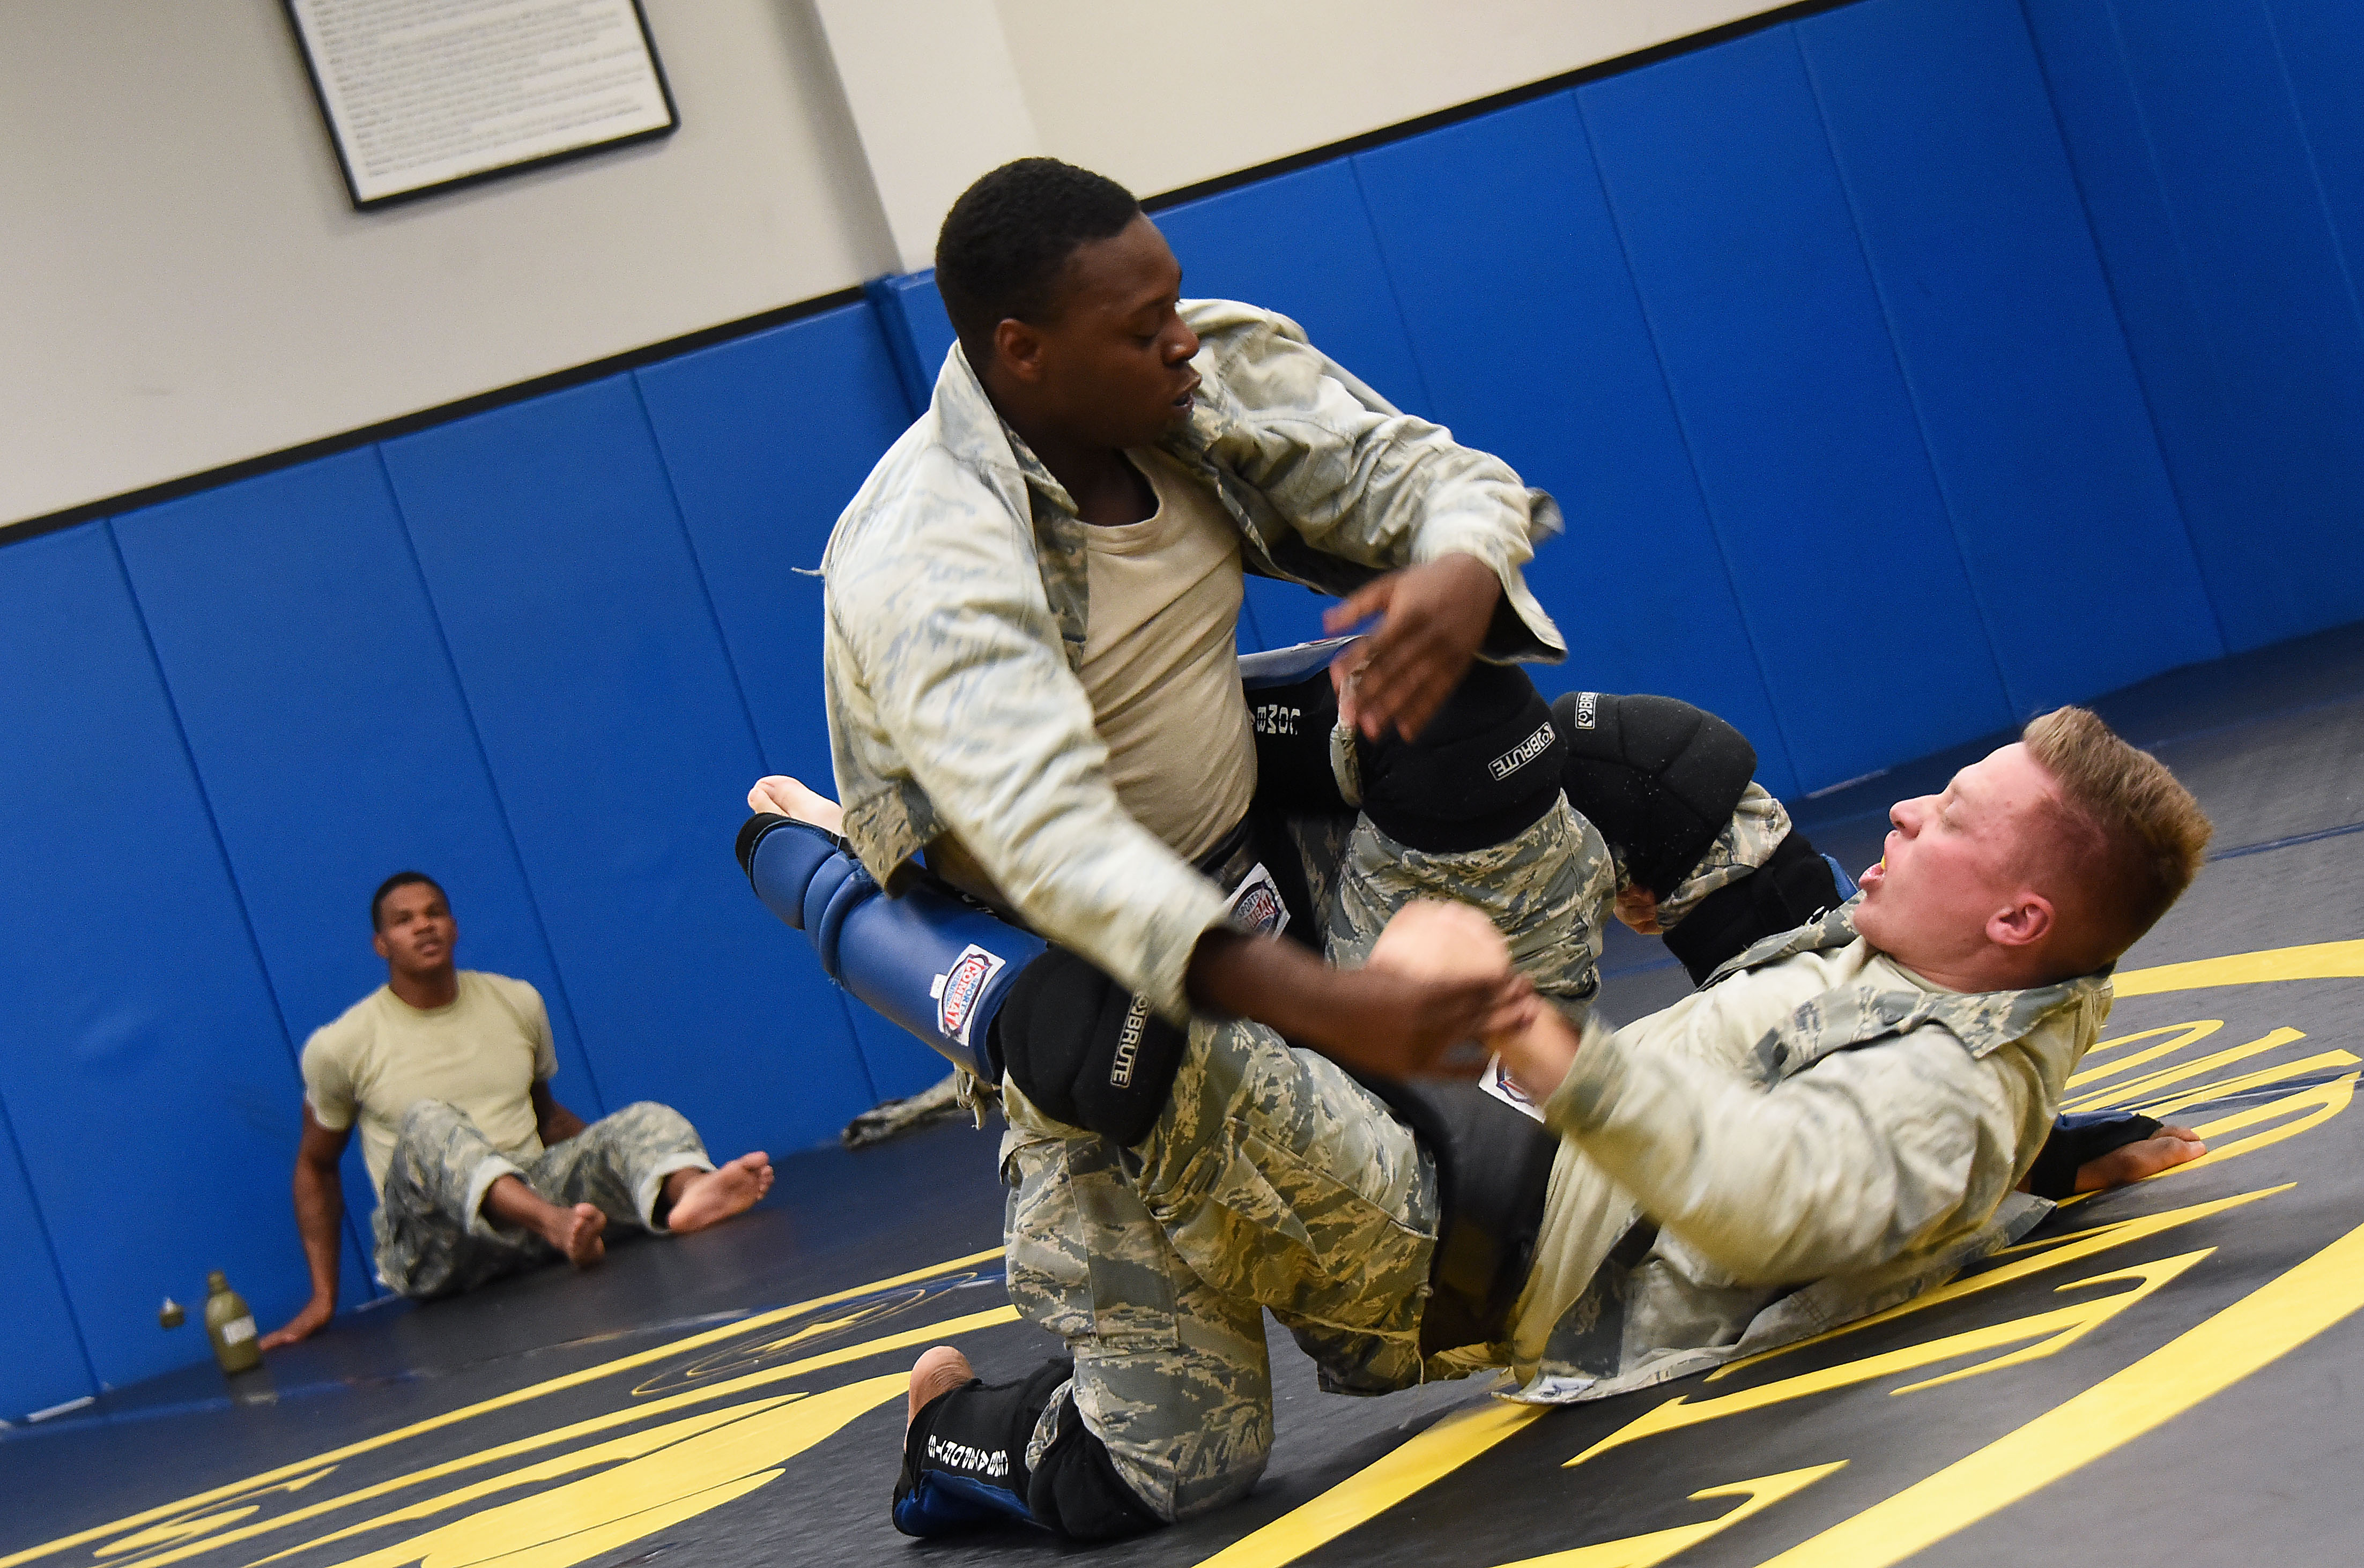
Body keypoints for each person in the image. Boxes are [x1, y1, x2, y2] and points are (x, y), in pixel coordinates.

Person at [887, 708, 2214, 1541]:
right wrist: (2035, 1161)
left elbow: (1788, 1188)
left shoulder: (1945, 1094)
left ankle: (872, 907)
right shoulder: (1947, 977)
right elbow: (1894, 1132)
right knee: (1601, 759)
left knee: (1121, 1047)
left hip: (1457, 1244)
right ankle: (1223, 743)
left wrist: (1529, 1024)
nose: (1904, 808)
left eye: (1951, 820)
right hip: (1490, 1110)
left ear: (2015, 922)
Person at [818, 155, 1573, 1085]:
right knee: (1396, 1194)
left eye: (1173, 305)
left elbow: (1430, 471)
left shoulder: (1184, 379)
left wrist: (1459, 563)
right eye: (1143, 330)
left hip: (1256, 853)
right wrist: (1321, 1003)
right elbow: (1049, 840)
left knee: (1596, 754)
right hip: (1103, 976)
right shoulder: (926, 552)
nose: (1182, 342)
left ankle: (1539, 1106)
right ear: (1023, 351)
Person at [260, 873, 775, 1347]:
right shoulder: (341, 1045)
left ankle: (688, 1192)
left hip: (529, 1215)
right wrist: (322, 1299)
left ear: (454, 926)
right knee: (427, 1120)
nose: (423, 925)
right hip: (435, 1246)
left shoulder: (516, 1001)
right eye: (404, 920)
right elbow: (315, 1164)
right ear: (381, 944)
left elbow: (547, 1120)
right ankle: (559, 1226)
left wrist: (618, 1161)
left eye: (434, 912)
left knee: (641, 1118)